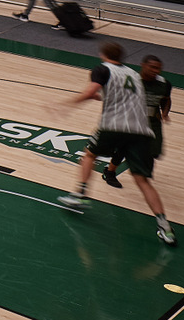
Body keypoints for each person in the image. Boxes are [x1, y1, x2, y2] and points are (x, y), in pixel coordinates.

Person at [58, 40, 174, 246]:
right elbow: (119, 96)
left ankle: (80, 194)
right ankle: (165, 227)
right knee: (143, 181)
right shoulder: (133, 75)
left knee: (89, 155)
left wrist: (65, 104)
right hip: (142, 131)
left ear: (103, 54)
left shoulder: (102, 69)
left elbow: (90, 92)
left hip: (114, 125)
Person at [104, 54, 173, 189]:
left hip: (153, 121)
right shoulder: (131, 81)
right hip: (131, 119)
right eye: (152, 67)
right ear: (143, 65)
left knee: (155, 151)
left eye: (158, 69)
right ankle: (110, 172)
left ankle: (139, 169)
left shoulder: (164, 83)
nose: (156, 71)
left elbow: (166, 99)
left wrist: (165, 113)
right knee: (123, 148)